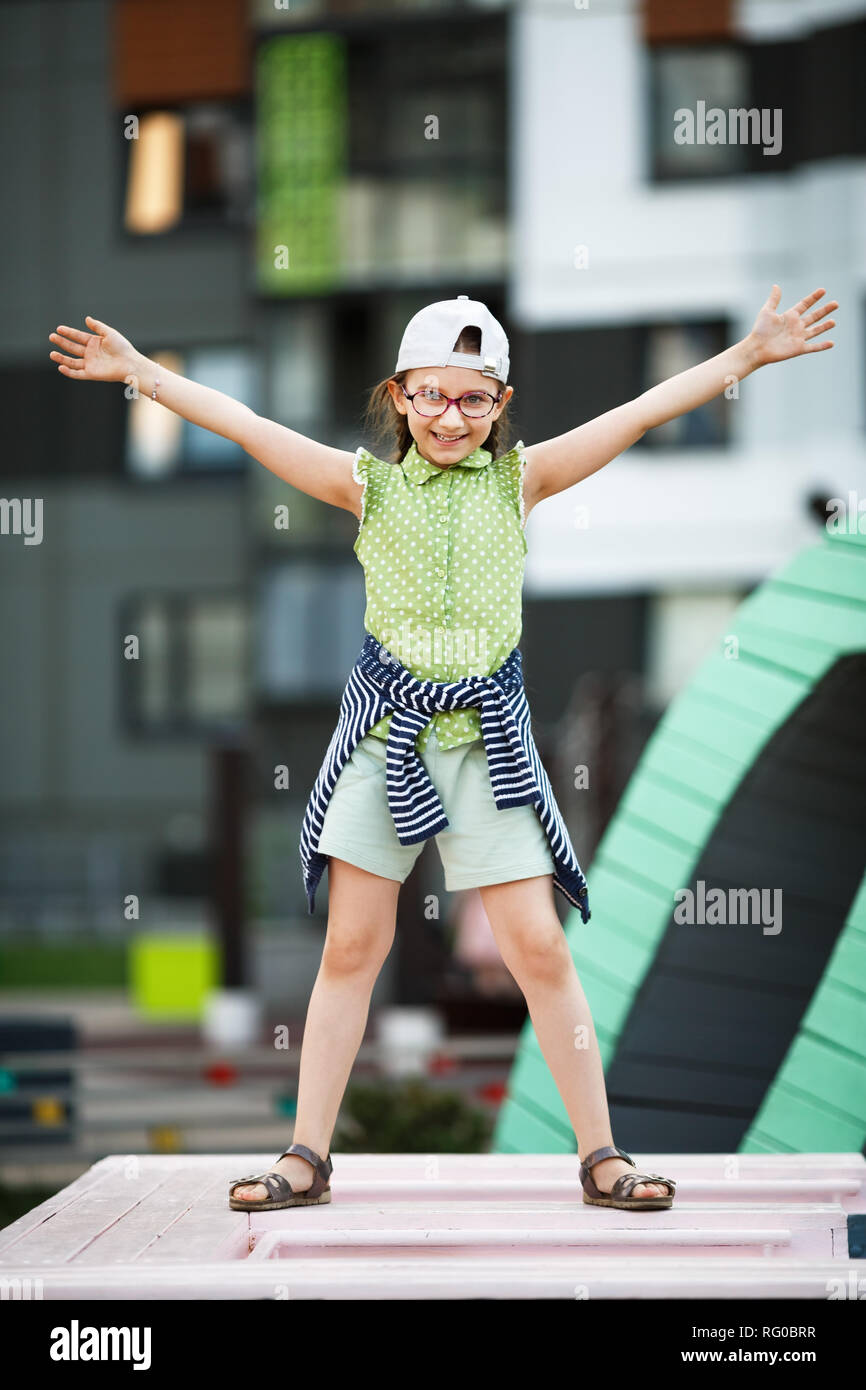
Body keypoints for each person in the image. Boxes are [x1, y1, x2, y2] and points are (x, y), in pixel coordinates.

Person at [49, 285, 837, 1213]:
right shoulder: (366, 485)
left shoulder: (522, 480)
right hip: (388, 738)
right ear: (399, 395)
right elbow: (251, 426)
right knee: (352, 943)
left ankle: (601, 1157)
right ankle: (305, 1155)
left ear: (500, 405)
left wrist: (746, 356)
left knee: (539, 948)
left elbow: (637, 411)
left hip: (489, 745)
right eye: (430, 395)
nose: (450, 416)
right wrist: (144, 374)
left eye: (473, 398)